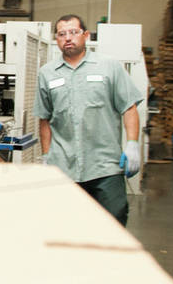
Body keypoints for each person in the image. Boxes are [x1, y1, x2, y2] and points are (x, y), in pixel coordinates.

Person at [35, 13, 142, 225]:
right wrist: (46, 156)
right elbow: (44, 119)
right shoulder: (47, 73)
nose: (68, 38)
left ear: (86, 35)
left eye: (73, 32)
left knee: (115, 220)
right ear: (56, 39)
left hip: (105, 166)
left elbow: (129, 107)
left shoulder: (109, 67)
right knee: (68, 227)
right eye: (61, 34)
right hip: (64, 167)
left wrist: (132, 144)